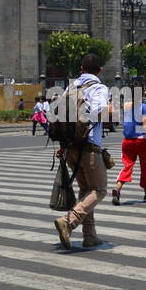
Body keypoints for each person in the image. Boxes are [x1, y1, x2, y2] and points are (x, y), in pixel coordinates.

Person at [53, 53, 111, 249]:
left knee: (86, 190)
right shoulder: (98, 88)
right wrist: (113, 109)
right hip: (89, 146)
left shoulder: (70, 87)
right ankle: (69, 221)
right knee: (100, 189)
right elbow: (99, 111)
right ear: (100, 70)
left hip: (71, 148)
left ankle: (90, 235)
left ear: (82, 69)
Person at [112, 90, 146, 204]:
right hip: (141, 141)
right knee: (145, 168)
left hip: (127, 141)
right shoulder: (143, 107)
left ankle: (117, 188)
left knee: (127, 166)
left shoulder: (126, 106)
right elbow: (145, 125)